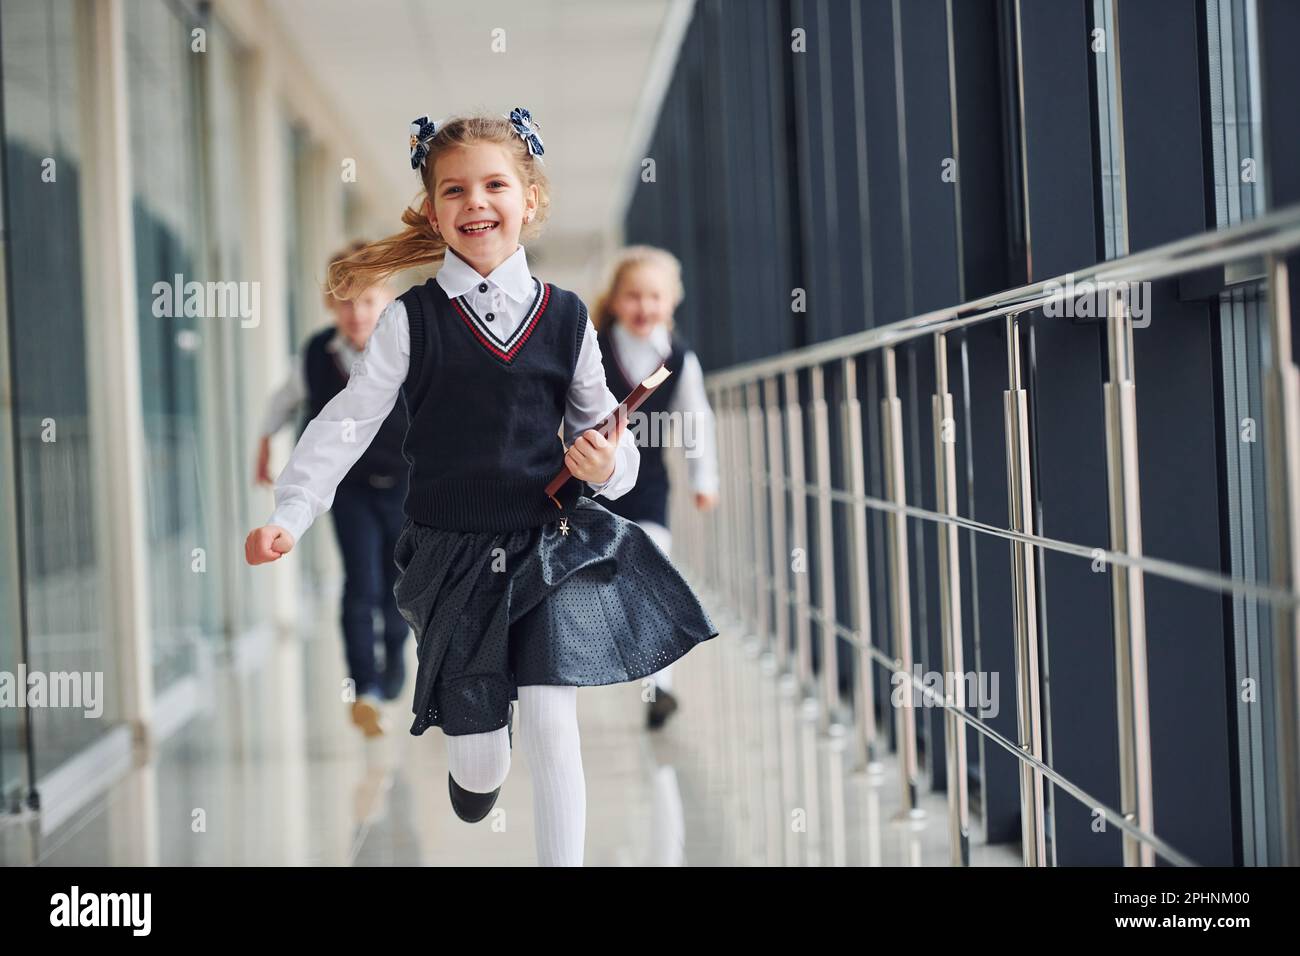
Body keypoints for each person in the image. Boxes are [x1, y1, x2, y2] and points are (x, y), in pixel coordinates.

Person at [243, 109, 718, 867]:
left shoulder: (566, 319)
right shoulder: (409, 321)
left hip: (546, 545)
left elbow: (610, 443)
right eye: (454, 189)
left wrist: (609, 469)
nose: (476, 202)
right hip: (450, 557)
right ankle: (478, 771)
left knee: (552, 723)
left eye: (495, 184)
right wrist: (292, 513)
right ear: (433, 211)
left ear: (529, 200)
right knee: (479, 759)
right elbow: (348, 421)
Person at [257, 245, 409, 739]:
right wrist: (264, 444)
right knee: (360, 583)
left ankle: (391, 677)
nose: (357, 313)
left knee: (398, 586)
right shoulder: (318, 354)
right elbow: (284, 399)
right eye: (345, 302)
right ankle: (365, 688)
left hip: (406, 487)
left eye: (368, 301)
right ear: (329, 304)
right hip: (350, 490)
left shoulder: (405, 349)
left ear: (387, 300)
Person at [590, 246, 719, 729]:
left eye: (655, 297)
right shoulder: (595, 349)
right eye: (634, 296)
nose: (644, 307)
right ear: (617, 300)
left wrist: (703, 480)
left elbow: (696, 419)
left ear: (672, 302)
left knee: (655, 574)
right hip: (596, 488)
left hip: (649, 488)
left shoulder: (680, 359)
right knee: (614, 581)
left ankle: (659, 687)